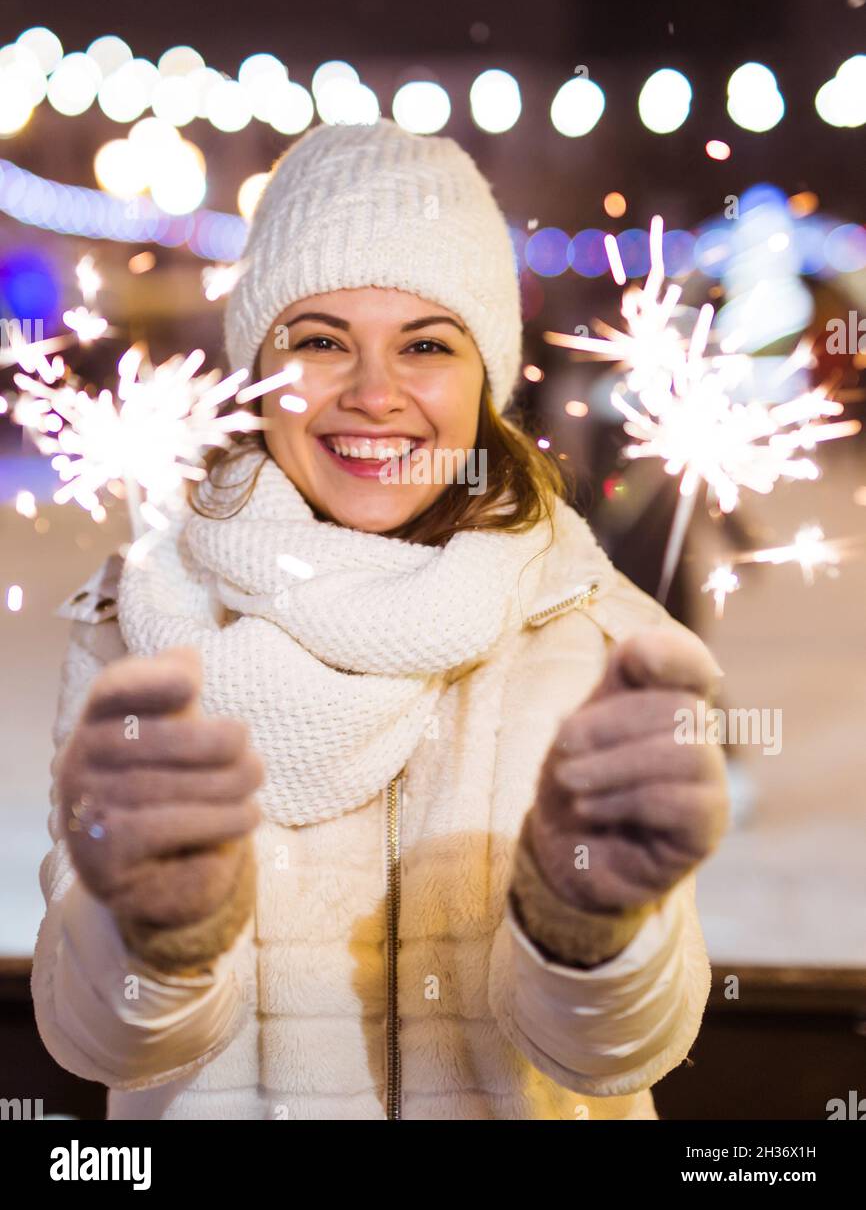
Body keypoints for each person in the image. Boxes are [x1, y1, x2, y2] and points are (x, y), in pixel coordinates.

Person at [31, 118, 729, 1120]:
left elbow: (610, 1057)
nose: (372, 393)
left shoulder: (586, 629)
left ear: (482, 376)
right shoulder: (143, 623)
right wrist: (149, 931)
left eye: (426, 345)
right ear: (257, 363)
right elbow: (98, 1036)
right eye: (319, 340)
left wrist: (585, 925)